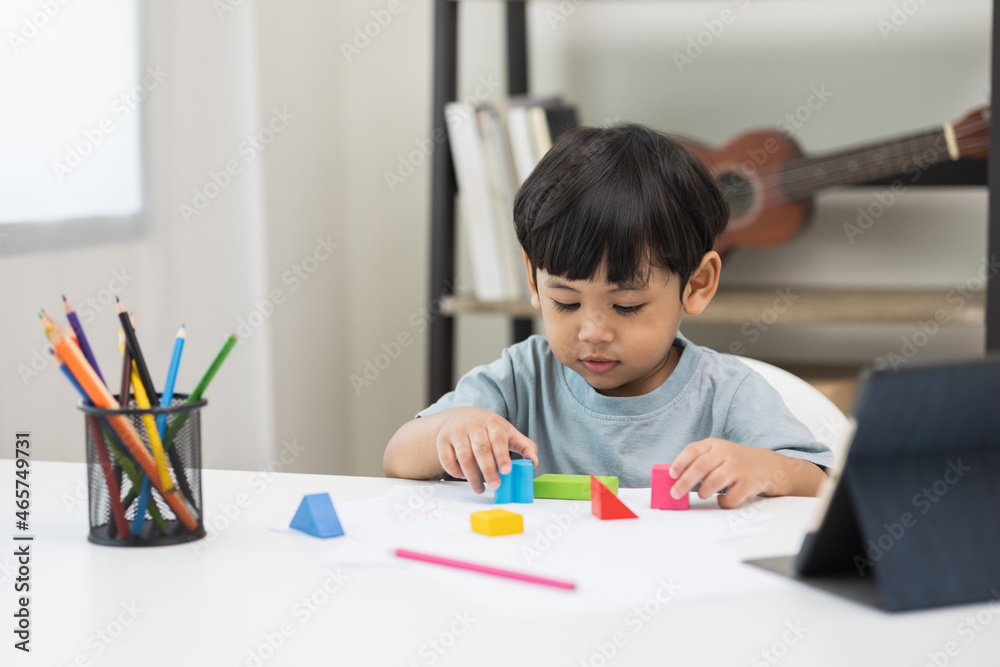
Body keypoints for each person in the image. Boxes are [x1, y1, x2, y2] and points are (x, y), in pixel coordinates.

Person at [383, 122, 832, 508]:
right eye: (566, 302)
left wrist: (762, 467)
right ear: (534, 280)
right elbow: (398, 457)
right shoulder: (522, 378)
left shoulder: (727, 395)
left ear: (696, 285)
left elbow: (820, 484)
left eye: (626, 306)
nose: (593, 332)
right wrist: (455, 429)